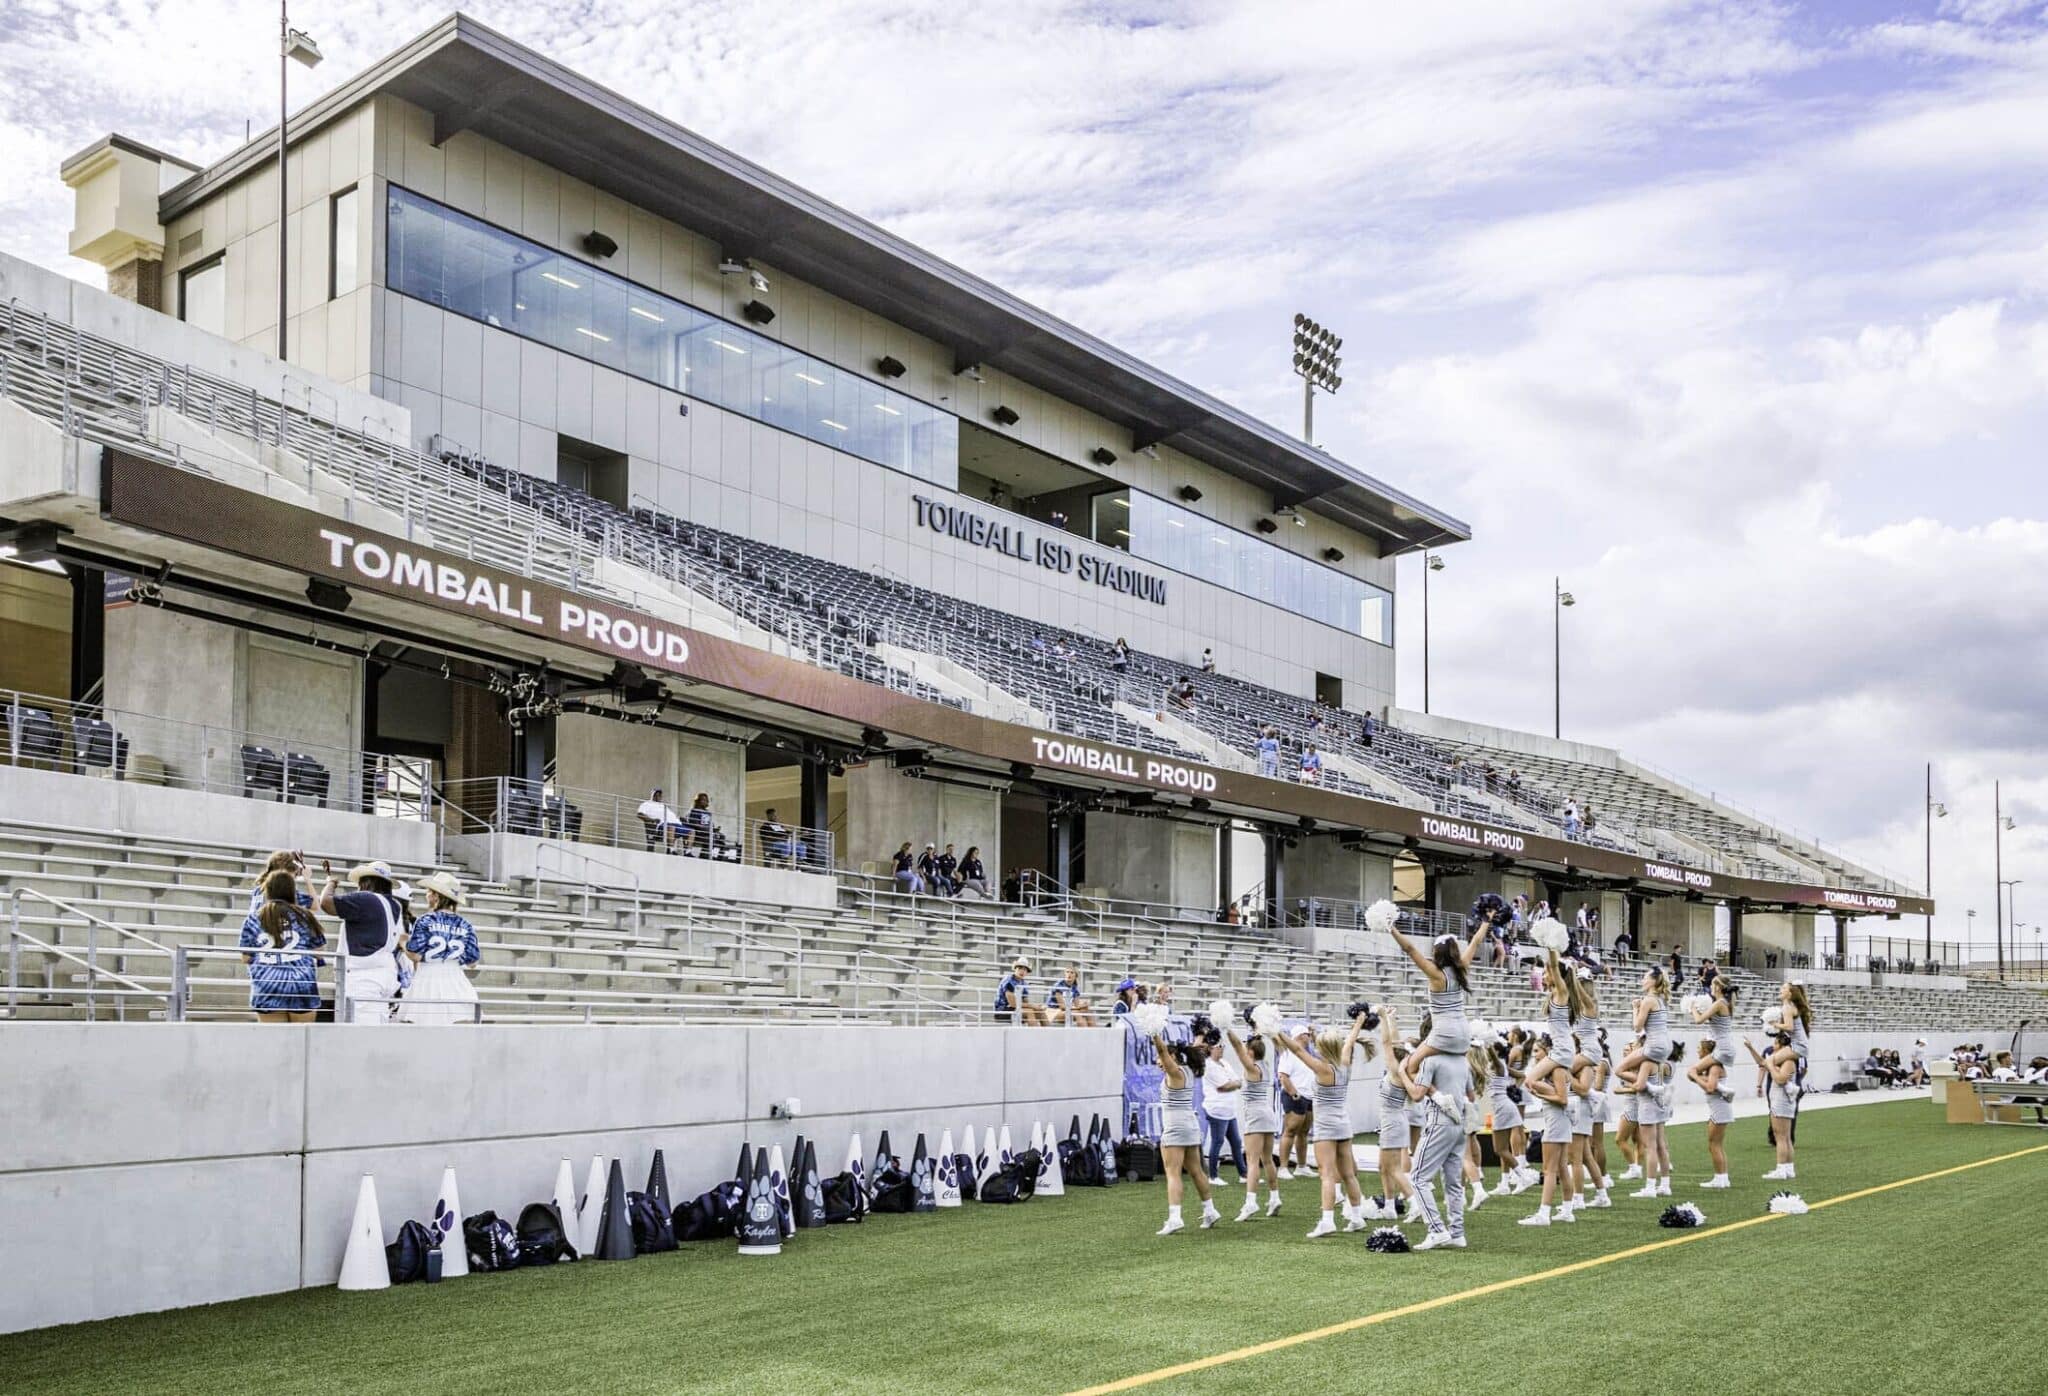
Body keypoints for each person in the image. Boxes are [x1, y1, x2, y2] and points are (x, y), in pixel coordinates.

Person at [1277, 1015, 1372, 1237]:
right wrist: (1358, 1022)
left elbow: (1298, 1051)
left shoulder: (1323, 1069)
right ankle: (1357, 1218)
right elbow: (1349, 1041)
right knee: (1349, 1174)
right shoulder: (1345, 1063)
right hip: (1343, 1125)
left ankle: (1327, 1220)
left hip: (1326, 1127)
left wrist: (1277, 1032)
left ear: (1325, 1049)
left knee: (1327, 1174)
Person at [1391, 894, 1498, 1079]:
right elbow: (1476, 941)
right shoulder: (1461, 967)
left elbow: (1410, 949)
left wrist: (1391, 929)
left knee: (1409, 1069)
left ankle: (1435, 1096)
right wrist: (1486, 921)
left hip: (1443, 1032)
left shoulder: (1435, 973)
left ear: (1437, 951)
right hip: (1464, 1033)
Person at [317, 858, 407, 1025]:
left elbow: (326, 903)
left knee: (361, 1031)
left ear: (366, 882)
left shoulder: (366, 899)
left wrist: (331, 884)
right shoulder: (394, 904)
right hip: (384, 971)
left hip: (364, 977)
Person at [1152, 1033, 1221, 1234]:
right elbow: (1193, 1047)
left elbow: (1163, 1051)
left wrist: (1155, 1033)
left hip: (1175, 1126)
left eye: (1161, 1059)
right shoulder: (1189, 1070)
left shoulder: (1175, 1072)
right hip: (1190, 1125)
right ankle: (1210, 1210)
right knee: (1196, 1171)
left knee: (1172, 1173)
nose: (1158, 1062)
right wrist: (1200, 1035)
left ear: (1173, 1056)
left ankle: (1175, 1218)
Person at [239, 868, 326, 1023]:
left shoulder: (253, 918)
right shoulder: (304, 916)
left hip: (267, 987)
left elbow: (246, 958)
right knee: (302, 1042)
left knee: (272, 1042)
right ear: (292, 891)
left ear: (268, 890)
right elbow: (319, 952)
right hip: (302, 986)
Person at [399, 871, 480, 1025]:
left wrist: (403, 942)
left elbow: (415, 955)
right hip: (456, 979)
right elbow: (472, 962)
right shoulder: (466, 925)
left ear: (436, 896)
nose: (427, 895)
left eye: (429, 891)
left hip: (428, 977)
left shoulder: (425, 921)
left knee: (424, 1027)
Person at [1229, 1028, 1283, 1220]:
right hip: (1268, 1114)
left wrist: (1227, 1028)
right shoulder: (1266, 1064)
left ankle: (1251, 1202)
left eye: (1247, 1048)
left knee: (1252, 1161)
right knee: (1267, 1159)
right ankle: (1275, 1197)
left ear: (1251, 1052)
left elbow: (1237, 1047)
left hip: (1255, 1114)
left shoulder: (1252, 1068)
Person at [1747, 1025, 1802, 1180]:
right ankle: (1788, 1168)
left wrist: (1771, 1065)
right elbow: (1761, 1063)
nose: (1773, 1046)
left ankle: (1781, 1168)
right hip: (1779, 1099)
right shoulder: (1778, 1059)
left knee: (1781, 1136)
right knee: (1784, 1136)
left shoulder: (1789, 1061)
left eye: (1776, 1044)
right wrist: (1751, 1048)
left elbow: (1780, 1079)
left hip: (1782, 1100)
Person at [1201, 1038, 1247, 1187]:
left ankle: (1243, 1174)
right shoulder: (1208, 1065)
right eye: (1218, 1046)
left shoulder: (1225, 1063)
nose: (1221, 1049)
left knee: (1236, 1142)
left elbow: (1236, 1080)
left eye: (1222, 1046)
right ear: (1210, 1049)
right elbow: (1223, 1086)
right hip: (1217, 1109)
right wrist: (1234, 1084)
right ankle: (1213, 1176)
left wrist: (1233, 1083)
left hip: (1228, 1109)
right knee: (1217, 1141)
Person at [1276, 1033, 1317, 1179]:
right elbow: (1283, 1076)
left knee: (1304, 1132)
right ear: (1300, 1036)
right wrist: (1294, 1094)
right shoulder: (1288, 1054)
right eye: (1307, 1034)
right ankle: (1283, 1167)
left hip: (1309, 1096)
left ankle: (1301, 1166)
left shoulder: (1308, 1054)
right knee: (1290, 1130)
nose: (1310, 1037)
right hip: (1295, 1096)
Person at [248, 849, 312, 914]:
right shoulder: (284, 892)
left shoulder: (258, 890)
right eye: (294, 874)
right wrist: (307, 879)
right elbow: (315, 905)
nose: (295, 877)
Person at [993, 959, 1045, 1026]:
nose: (1022, 971)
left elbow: (1026, 1002)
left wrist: (1037, 1007)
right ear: (1015, 969)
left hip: (1015, 1009)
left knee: (1041, 1012)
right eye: (1020, 968)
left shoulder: (1024, 983)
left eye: (1025, 969)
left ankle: (1047, 1035)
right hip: (1002, 1011)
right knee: (1029, 1012)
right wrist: (1032, 1006)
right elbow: (1013, 1004)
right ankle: (1034, 1035)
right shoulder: (1009, 981)